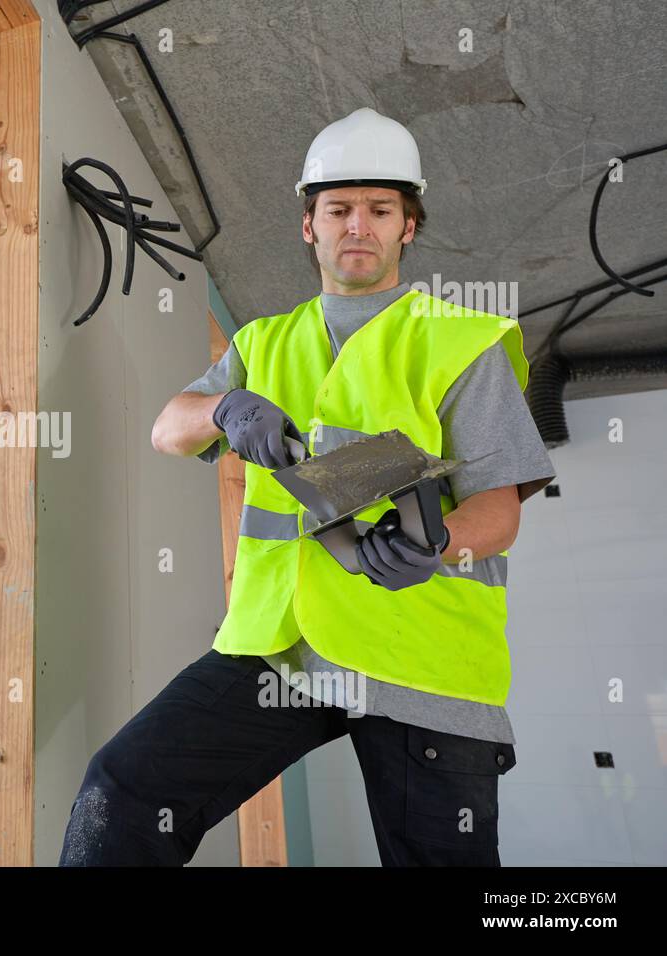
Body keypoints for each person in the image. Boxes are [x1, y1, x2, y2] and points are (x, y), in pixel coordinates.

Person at [58, 107, 557, 867]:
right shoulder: (263, 343)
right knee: (121, 795)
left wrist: (437, 544)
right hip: (279, 650)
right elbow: (168, 429)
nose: (358, 225)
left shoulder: (461, 342)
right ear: (309, 227)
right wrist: (225, 404)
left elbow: (500, 508)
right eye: (339, 209)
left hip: (422, 658)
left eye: (379, 210)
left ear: (407, 229)